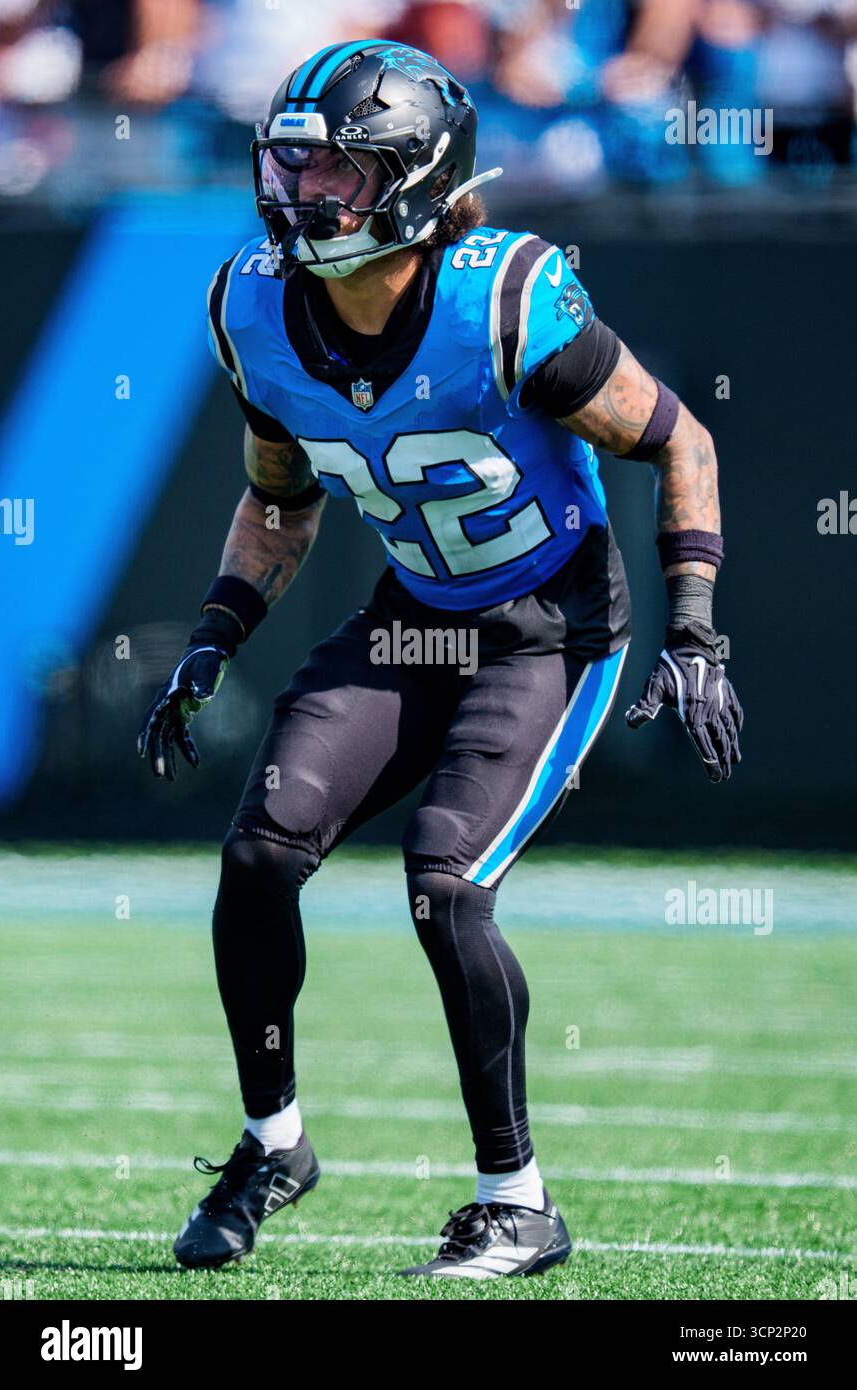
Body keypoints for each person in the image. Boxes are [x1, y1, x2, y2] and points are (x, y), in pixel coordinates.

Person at [138, 38, 743, 1280]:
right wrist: (213, 635)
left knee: (445, 881)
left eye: (336, 173)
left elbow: (680, 444)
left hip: (547, 629)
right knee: (258, 851)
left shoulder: (503, 296)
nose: (301, 194)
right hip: (410, 615)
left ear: (414, 184)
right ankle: (274, 1141)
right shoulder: (251, 305)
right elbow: (281, 502)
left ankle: (515, 1199)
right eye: (291, 163)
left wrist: (691, 630)